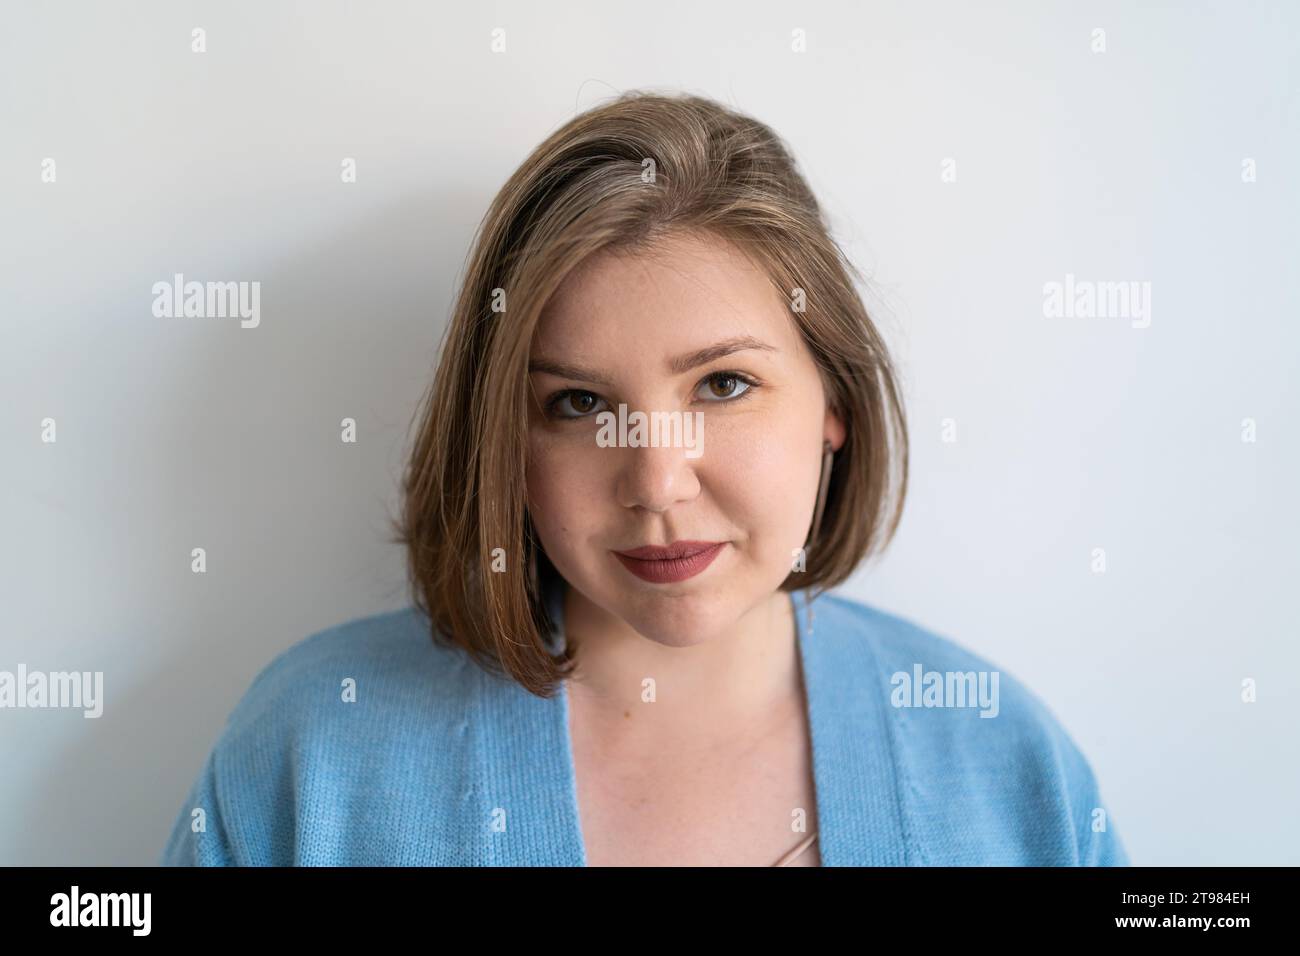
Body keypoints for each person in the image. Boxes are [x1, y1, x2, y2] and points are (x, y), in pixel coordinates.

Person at [161, 90, 1129, 867]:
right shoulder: (314, 753)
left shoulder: (1003, 762)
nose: (657, 482)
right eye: (579, 404)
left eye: (723, 383)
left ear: (832, 401)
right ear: (506, 435)